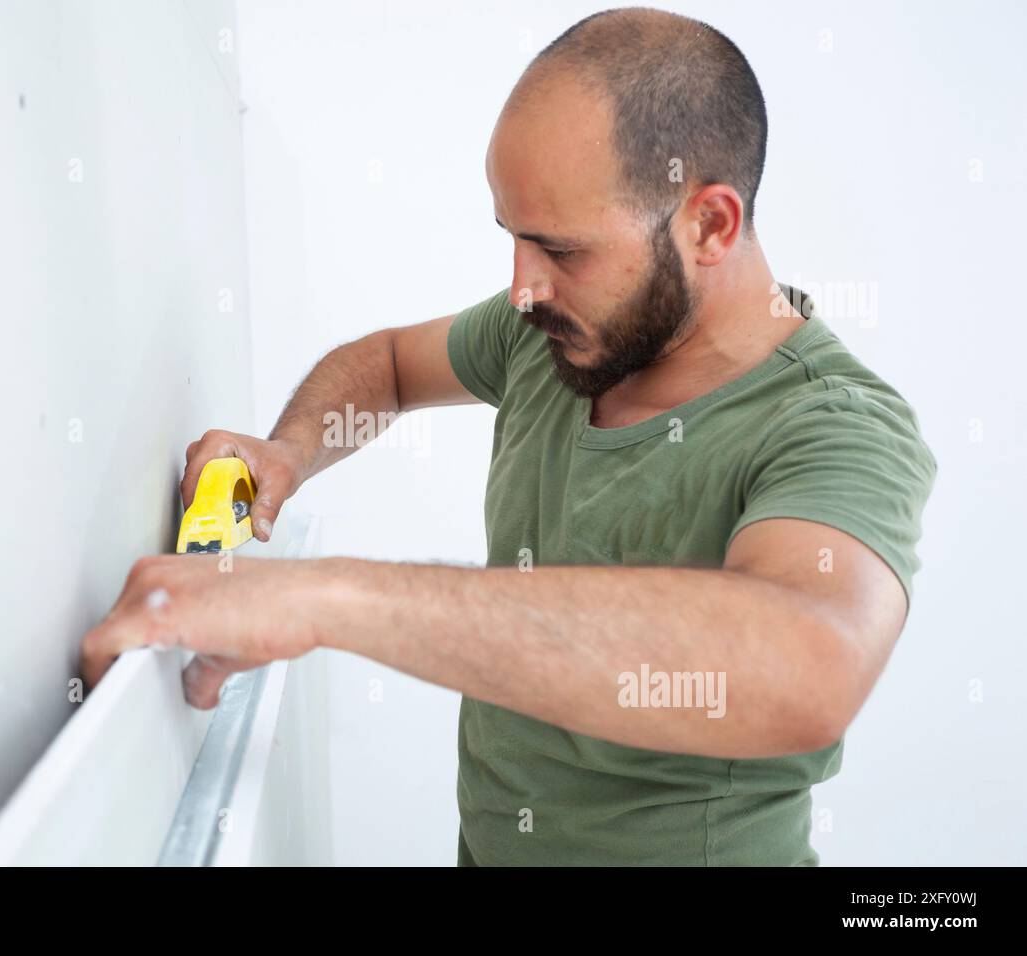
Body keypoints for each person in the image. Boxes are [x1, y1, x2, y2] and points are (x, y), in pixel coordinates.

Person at [80, 6, 937, 866]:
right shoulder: (557, 330)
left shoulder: (835, 427)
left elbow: (809, 669)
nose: (523, 288)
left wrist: (321, 599)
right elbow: (385, 363)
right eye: (514, 238)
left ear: (708, 224)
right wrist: (289, 451)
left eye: (561, 249)